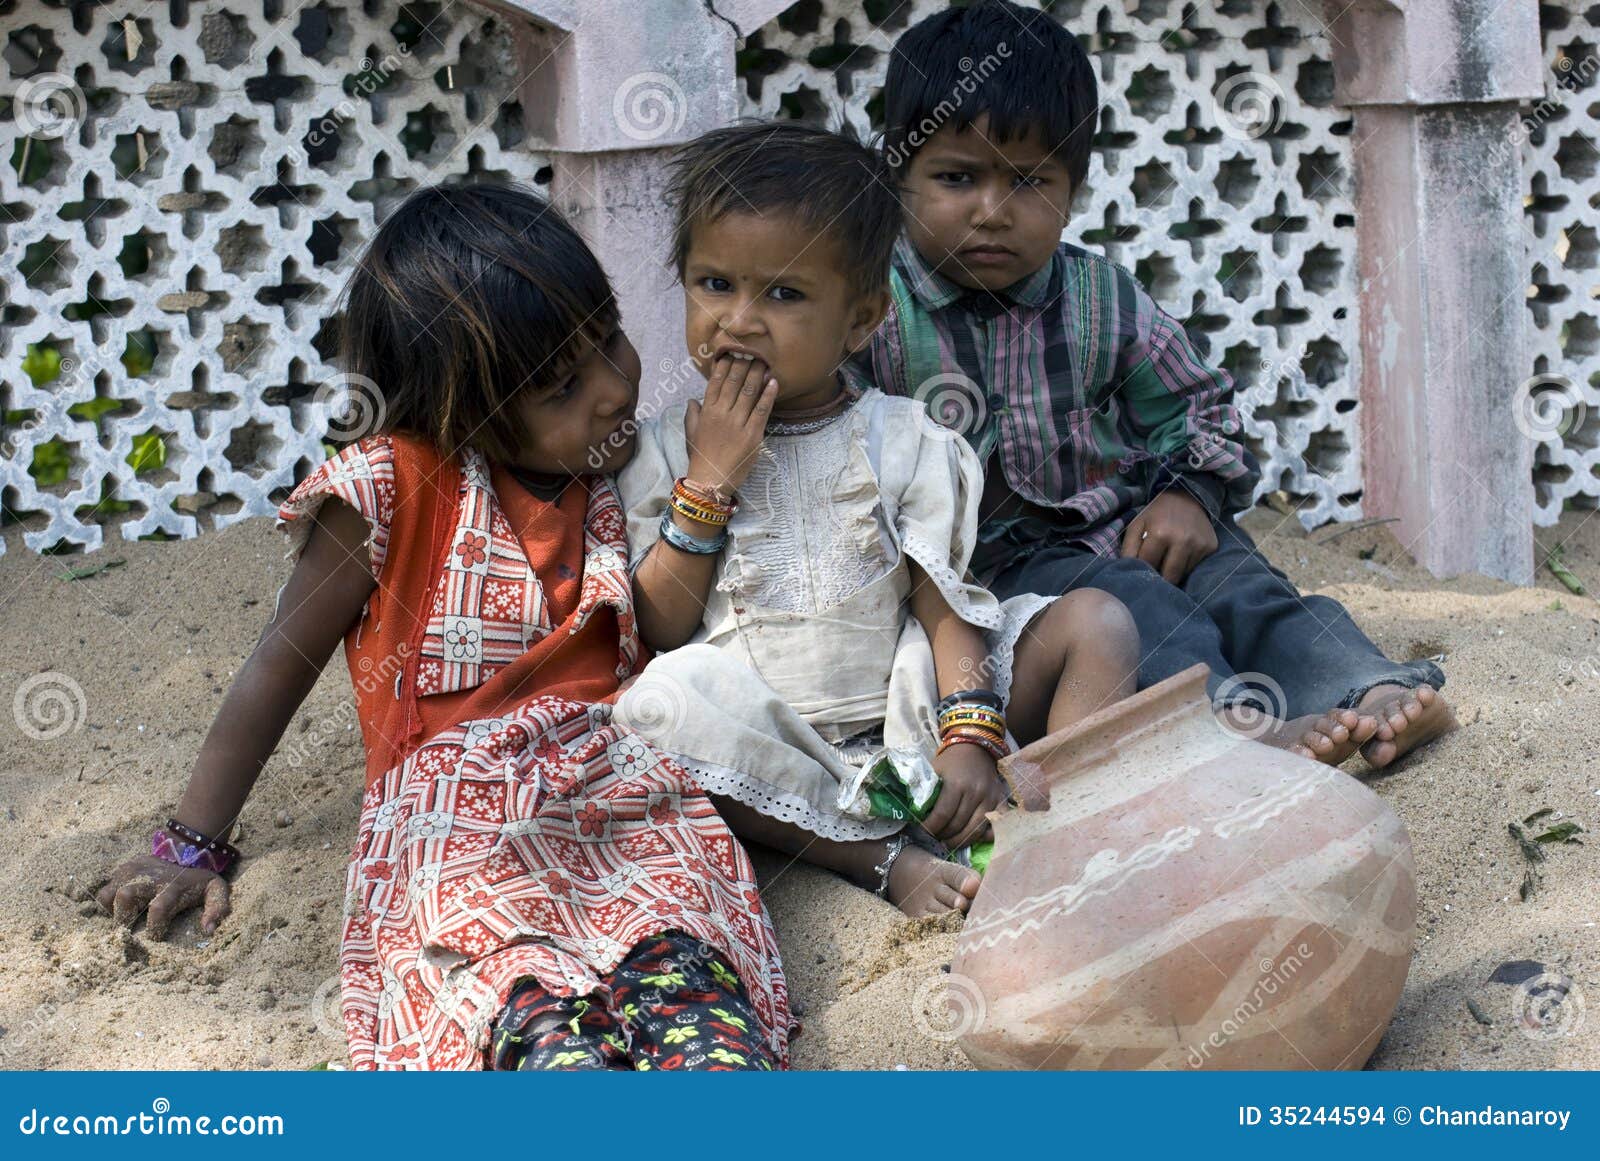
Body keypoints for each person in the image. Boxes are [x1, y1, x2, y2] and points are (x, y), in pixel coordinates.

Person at [93, 183, 789, 1071]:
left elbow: (659, 624)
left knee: (703, 1015)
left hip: (622, 800)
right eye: (562, 384)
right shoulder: (395, 485)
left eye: (609, 338)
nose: (614, 389)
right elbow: (282, 660)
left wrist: (706, 485)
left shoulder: (616, 471)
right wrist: (191, 845)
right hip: (457, 830)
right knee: (535, 1032)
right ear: (462, 411)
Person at [857, 0, 1456, 768]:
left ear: (1074, 187)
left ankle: (1365, 688)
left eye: (1030, 182)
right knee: (1141, 610)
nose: (992, 211)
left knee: (1243, 581)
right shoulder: (871, 311)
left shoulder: (1100, 299)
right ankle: (1235, 726)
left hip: (1137, 528)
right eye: (956, 178)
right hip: (1004, 589)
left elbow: (1203, 411)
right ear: (897, 174)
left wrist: (1190, 495)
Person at [615, 122, 1140, 919]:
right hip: (770, 743)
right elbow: (659, 621)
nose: (739, 321)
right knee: (655, 705)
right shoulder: (661, 448)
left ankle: (1061, 833)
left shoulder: (903, 437)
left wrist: (969, 732)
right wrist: (712, 478)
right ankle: (877, 856)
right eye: (714, 284)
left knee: (1099, 623)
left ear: (861, 322)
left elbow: (942, 601)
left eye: (784, 295)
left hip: (910, 714)